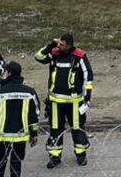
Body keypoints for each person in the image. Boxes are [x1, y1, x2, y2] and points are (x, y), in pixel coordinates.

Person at [35, 33, 93, 167]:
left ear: (69, 45)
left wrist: (87, 96)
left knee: (77, 128)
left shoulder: (79, 56)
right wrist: (50, 45)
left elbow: (88, 76)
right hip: (56, 101)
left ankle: (80, 154)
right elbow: (38, 57)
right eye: (58, 43)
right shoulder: (54, 52)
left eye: (62, 44)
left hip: (75, 101)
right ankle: (55, 156)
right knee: (55, 128)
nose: (59, 46)